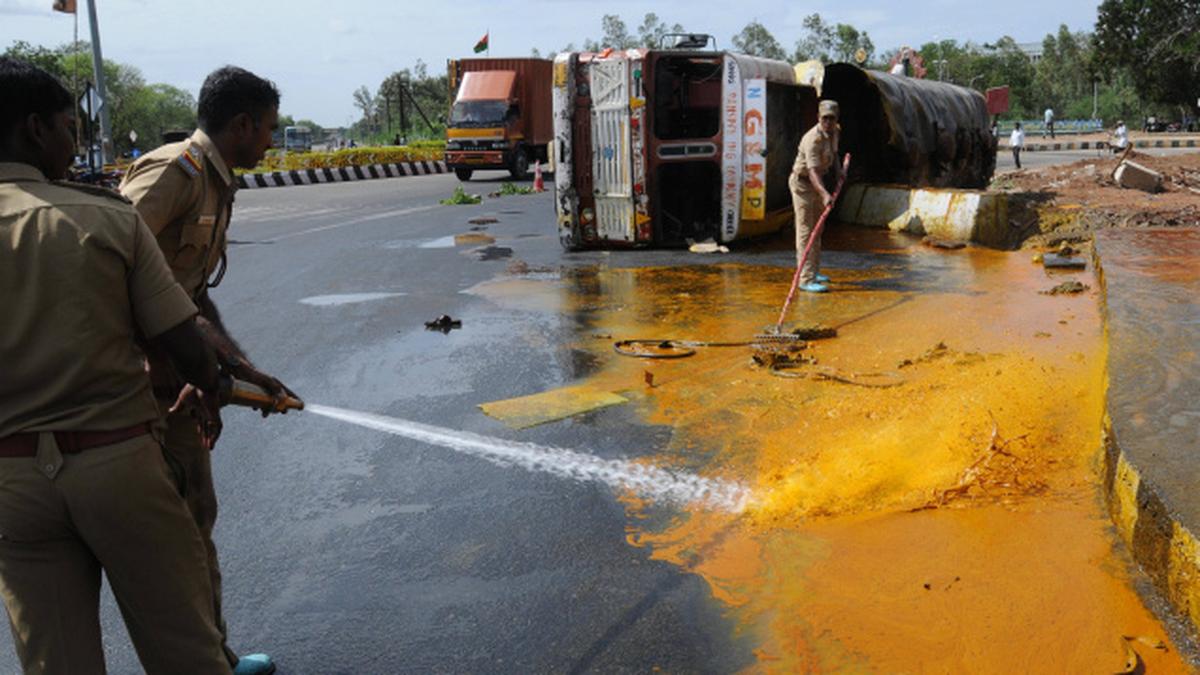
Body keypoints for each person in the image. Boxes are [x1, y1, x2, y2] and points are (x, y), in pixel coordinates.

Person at [0, 57, 232, 674]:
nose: (74, 144)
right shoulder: (102, 216)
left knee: (56, 661)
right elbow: (183, 341)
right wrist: (214, 383)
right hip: (118, 464)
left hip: (11, 485)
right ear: (33, 130)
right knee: (186, 648)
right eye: (68, 129)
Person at [119, 65, 299, 675]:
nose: (272, 142)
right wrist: (177, 368)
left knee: (197, 523)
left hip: (182, 377)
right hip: (153, 390)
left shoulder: (215, 182)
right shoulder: (177, 172)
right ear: (241, 124)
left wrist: (239, 366)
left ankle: (213, 657)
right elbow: (112, 267)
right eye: (268, 129)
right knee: (180, 537)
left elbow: (187, 294)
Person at [789, 99, 843, 293]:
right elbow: (812, 172)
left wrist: (839, 172)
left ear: (836, 119)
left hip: (817, 184)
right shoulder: (812, 138)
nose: (828, 122)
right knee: (805, 232)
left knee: (817, 229)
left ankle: (813, 271)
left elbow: (835, 154)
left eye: (831, 118)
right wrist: (825, 194)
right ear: (818, 118)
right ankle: (805, 278)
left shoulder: (835, 131)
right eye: (824, 118)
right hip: (803, 184)